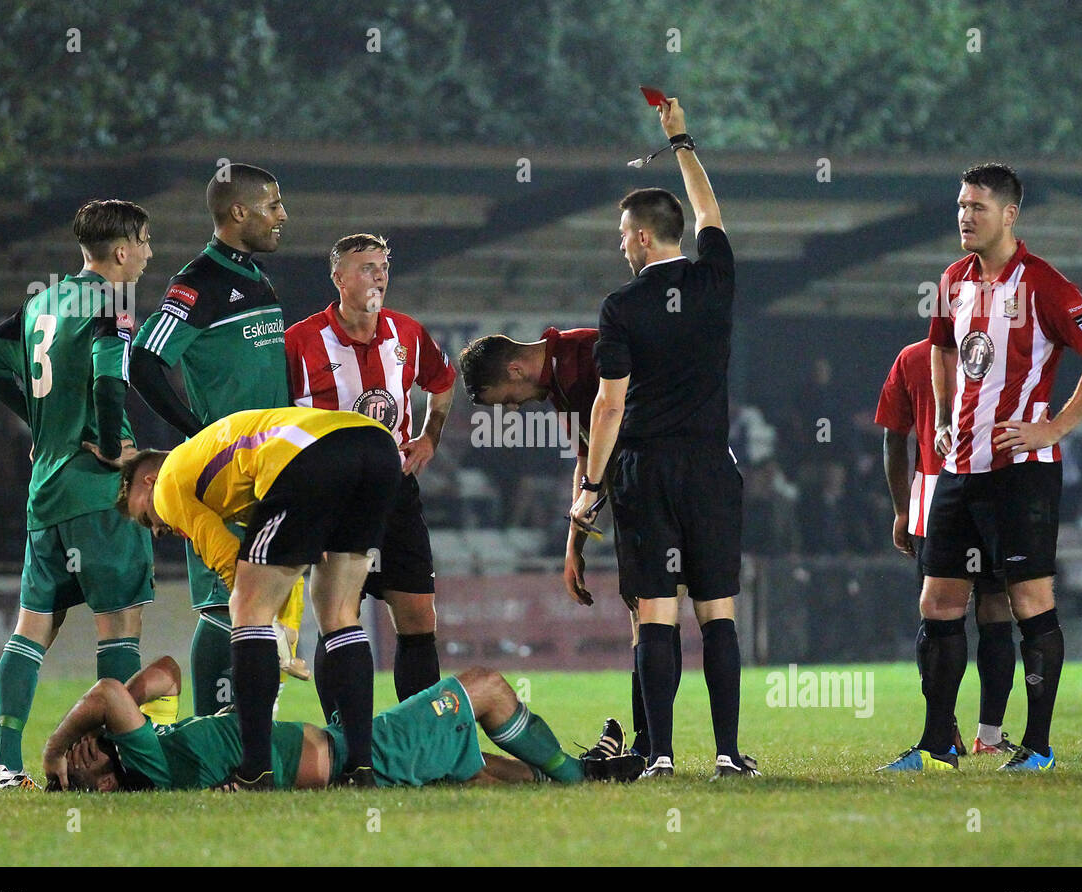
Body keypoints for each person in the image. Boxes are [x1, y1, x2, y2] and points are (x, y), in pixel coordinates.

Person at [880, 163, 1082, 772]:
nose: (965, 216)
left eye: (978, 208)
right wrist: (941, 414)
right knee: (937, 603)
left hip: (1022, 471)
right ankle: (938, 744)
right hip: (959, 470)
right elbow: (939, 345)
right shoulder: (952, 279)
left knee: (1029, 601)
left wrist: (1054, 426)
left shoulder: (1043, 283)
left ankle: (1036, 746)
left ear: (1009, 215)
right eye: (961, 206)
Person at [569, 95, 755, 781]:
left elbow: (609, 406)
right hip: (710, 467)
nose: (620, 242)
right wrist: (682, 142)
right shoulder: (715, 280)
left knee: (655, 613)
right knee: (718, 613)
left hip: (646, 472)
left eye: (623, 233)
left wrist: (591, 487)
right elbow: (710, 213)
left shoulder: (621, 307)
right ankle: (730, 754)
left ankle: (663, 755)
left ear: (643, 238)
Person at [0, 199, 157, 790]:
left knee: (32, 628)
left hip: (45, 493)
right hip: (101, 493)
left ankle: (6, 764)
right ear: (122, 250)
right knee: (119, 625)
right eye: (146, 242)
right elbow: (107, 376)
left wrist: (43, 425)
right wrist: (104, 441)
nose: (150, 254)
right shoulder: (113, 302)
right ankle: (111, 761)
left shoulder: (41, 301)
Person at [109, 406, 403, 789]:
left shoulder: (166, 488)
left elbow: (227, 557)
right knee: (339, 613)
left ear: (148, 482)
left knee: (246, 609)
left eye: (146, 518)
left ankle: (256, 771)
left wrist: (258, 618)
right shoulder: (213, 469)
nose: (157, 530)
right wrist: (288, 632)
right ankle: (360, 770)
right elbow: (287, 563)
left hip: (310, 456)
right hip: (378, 448)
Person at [459, 328, 682, 759]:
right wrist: (572, 545)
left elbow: (620, 423)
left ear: (514, 368)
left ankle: (654, 748)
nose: (512, 408)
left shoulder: (587, 355)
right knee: (646, 609)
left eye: (504, 398)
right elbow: (587, 455)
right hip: (634, 491)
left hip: (661, 483)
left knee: (656, 611)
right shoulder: (560, 379)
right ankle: (648, 743)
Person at [129, 163, 299, 718]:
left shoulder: (257, 279)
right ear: (239, 212)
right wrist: (197, 434)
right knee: (223, 606)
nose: (282, 216)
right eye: (272, 205)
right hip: (226, 469)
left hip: (272, 465)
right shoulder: (198, 280)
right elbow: (146, 360)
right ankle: (208, 725)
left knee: (263, 600)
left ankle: (251, 729)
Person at [284, 234, 456, 710]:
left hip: (396, 494)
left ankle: (417, 737)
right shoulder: (299, 342)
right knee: (340, 618)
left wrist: (430, 437)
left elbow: (443, 382)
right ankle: (346, 739)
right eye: (365, 268)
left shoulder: (407, 333)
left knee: (420, 617)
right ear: (338, 279)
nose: (378, 275)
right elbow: (274, 418)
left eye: (383, 266)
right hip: (332, 499)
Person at [43, 656, 646, 791]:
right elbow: (104, 692)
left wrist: (130, 701)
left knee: (475, 770)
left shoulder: (151, 744)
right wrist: (51, 752)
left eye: (84, 744)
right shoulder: (149, 768)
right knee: (484, 686)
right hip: (357, 753)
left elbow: (169, 675)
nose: (86, 746)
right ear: (102, 786)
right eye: (84, 759)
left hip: (347, 751)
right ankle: (580, 777)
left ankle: (590, 771)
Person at [875, 337, 1017, 757]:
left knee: (937, 614)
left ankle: (944, 732)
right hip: (993, 490)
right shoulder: (1003, 350)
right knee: (994, 610)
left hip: (934, 498)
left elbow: (893, 439)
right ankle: (989, 736)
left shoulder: (913, 358)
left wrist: (902, 509)